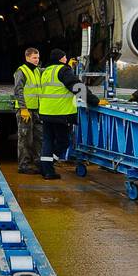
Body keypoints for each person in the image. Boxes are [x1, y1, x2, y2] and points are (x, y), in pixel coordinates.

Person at [37, 50, 98, 180]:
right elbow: (77, 87)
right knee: (63, 142)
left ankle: (46, 168)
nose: (66, 59)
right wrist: (94, 100)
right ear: (60, 59)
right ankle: (47, 165)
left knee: (48, 141)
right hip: (60, 112)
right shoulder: (63, 71)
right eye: (65, 57)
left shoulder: (46, 71)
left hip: (46, 111)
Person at [13, 46, 42, 173]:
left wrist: (64, 66)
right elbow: (18, 90)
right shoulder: (22, 71)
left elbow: (49, 71)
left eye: (38, 57)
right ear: (27, 57)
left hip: (36, 109)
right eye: (34, 58)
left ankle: (37, 162)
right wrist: (23, 108)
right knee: (25, 138)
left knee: (37, 138)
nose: (36, 60)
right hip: (25, 111)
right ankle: (23, 165)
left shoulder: (36, 71)